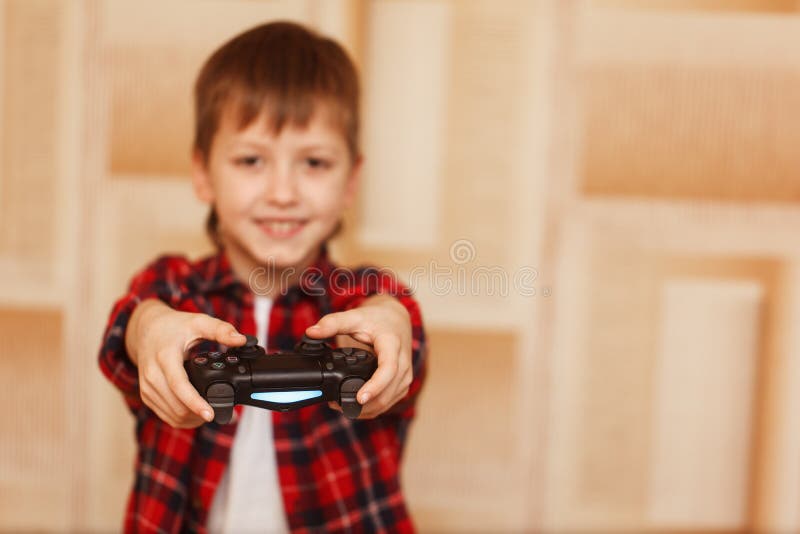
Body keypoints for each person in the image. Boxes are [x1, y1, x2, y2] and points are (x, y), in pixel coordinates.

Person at [98, 21, 427, 534]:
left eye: (314, 163)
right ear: (204, 173)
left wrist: (388, 324)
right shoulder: (175, 289)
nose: (282, 192)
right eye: (252, 160)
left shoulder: (361, 296)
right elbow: (131, 328)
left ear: (350, 183)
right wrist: (150, 332)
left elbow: (392, 316)